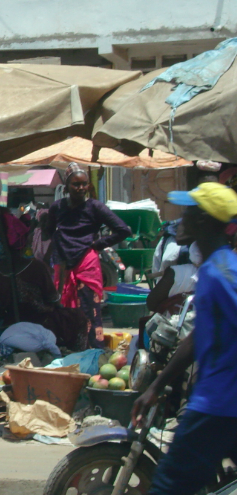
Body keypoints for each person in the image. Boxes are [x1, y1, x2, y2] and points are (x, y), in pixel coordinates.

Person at [131, 183, 237, 495]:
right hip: (218, 400)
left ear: (204, 221)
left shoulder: (222, 273)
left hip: (217, 405)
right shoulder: (213, 269)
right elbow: (197, 336)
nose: (180, 220)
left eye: (188, 212)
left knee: (168, 487)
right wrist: (155, 386)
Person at [44, 163, 131, 349]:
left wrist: (98, 244)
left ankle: (94, 349)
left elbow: (123, 230)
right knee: (64, 308)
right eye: (76, 184)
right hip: (64, 265)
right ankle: (70, 347)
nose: (81, 188)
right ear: (66, 187)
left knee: (89, 308)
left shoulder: (95, 207)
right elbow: (48, 231)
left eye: (84, 184)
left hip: (86, 263)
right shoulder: (57, 208)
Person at [0, 237, 89, 351]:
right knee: (78, 317)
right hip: (41, 320)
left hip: (9, 319)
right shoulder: (36, 267)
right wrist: (58, 301)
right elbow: (53, 298)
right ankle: (77, 353)